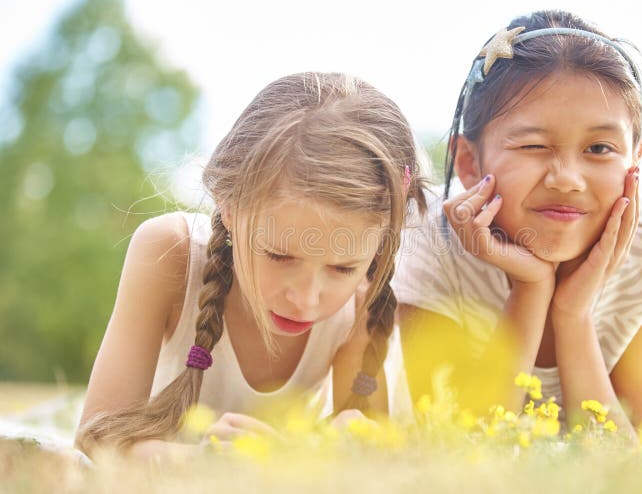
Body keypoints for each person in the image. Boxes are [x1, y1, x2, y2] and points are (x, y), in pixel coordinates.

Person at [75, 72, 426, 458]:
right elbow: (95, 442)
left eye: (343, 269)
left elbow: (373, 465)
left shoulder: (362, 305)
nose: (306, 299)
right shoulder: (170, 252)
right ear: (228, 205)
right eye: (279, 256)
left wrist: (334, 447)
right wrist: (214, 464)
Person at [393, 10, 642, 438]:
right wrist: (531, 287)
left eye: (600, 148)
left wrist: (574, 312)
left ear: (635, 158)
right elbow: (462, 445)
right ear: (469, 162)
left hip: (639, 251)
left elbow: (625, 459)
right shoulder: (429, 238)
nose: (566, 178)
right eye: (533, 145)